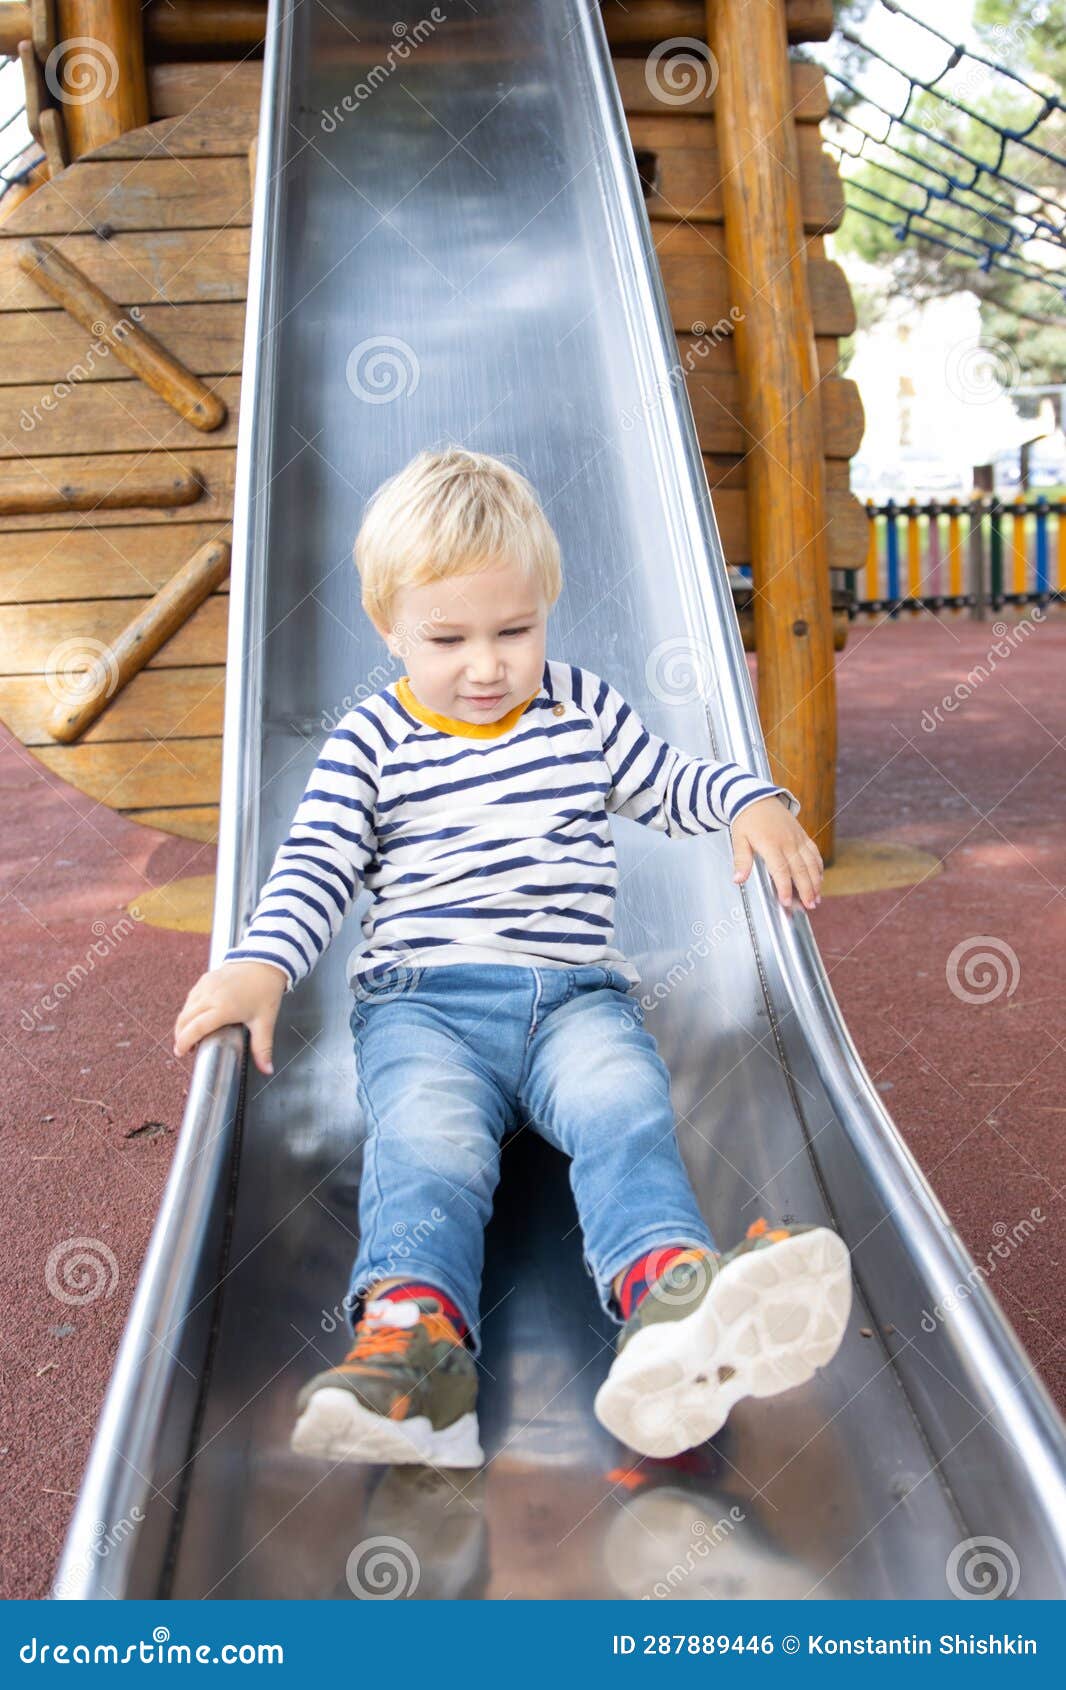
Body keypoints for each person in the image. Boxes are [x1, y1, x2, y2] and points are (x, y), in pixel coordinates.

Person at [173, 446, 852, 1469]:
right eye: (447, 637)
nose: (486, 664)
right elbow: (314, 864)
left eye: (515, 630)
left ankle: (670, 1303)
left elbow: (670, 782)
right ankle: (415, 1351)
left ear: (546, 610)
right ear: (387, 627)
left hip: (576, 999)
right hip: (425, 1008)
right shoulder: (371, 740)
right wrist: (262, 963)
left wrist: (750, 797)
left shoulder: (579, 708)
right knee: (428, 1144)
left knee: (624, 1105)